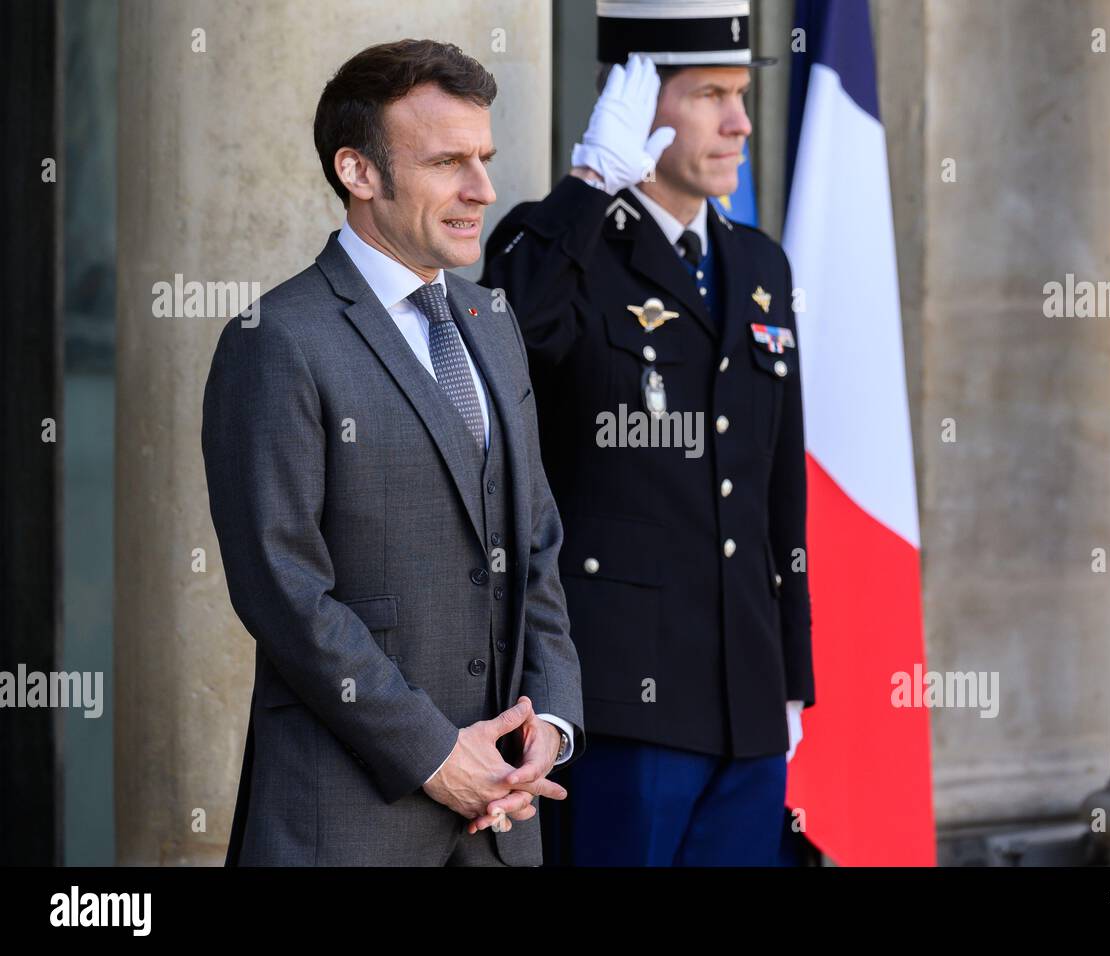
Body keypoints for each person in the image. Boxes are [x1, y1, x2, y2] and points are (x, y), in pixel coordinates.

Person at [202, 38, 583, 866]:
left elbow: (536, 544)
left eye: (483, 158)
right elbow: (284, 590)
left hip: (503, 821)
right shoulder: (277, 341)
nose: (482, 189)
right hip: (344, 824)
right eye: (449, 161)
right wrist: (438, 756)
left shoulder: (493, 321)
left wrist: (549, 721)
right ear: (359, 172)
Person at [481, 0, 813, 866]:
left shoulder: (759, 263)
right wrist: (591, 182)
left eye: (742, 94)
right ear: (631, 102)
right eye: (710, 94)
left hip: (746, 694)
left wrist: (792, 676)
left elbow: (782, 493)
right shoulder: (557, 245)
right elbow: (502, 344)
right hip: (619, 690)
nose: (740, 121)